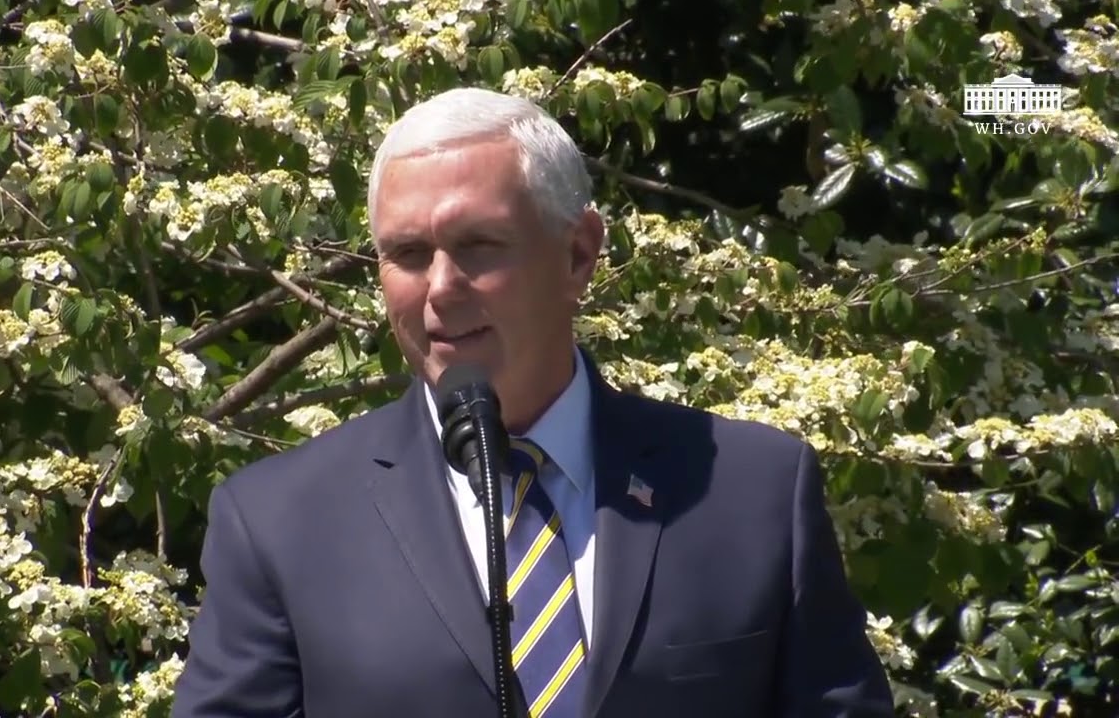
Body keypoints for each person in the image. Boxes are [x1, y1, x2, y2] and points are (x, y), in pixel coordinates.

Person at [170, 87, 894, 718]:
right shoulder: (279, 522)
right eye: (409, 255)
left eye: (480, 245)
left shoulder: (750, 491)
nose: (440, 288)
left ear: (578, 253)